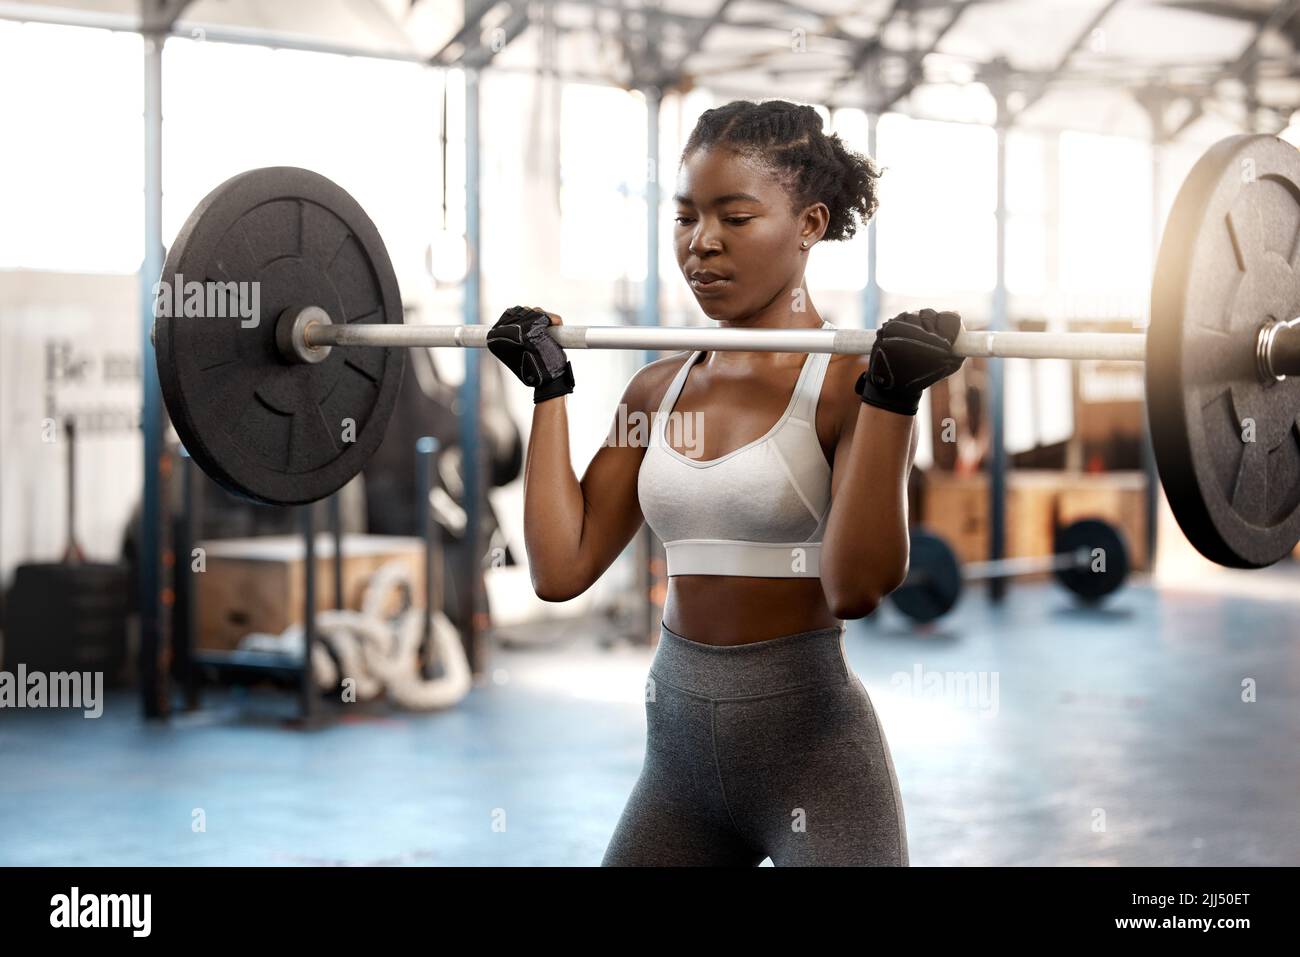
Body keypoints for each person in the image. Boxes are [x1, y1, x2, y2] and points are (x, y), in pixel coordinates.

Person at [486, 99, 965, 866]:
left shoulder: (848, 381)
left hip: (814, 756)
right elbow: (560, 567)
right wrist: (549, 390)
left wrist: (895, 401)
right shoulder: (656, 389)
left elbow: (855, 587)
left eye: (734, 219)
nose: (701, 243)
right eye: (685, 219)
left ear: (809, 224)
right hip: (675, 758)